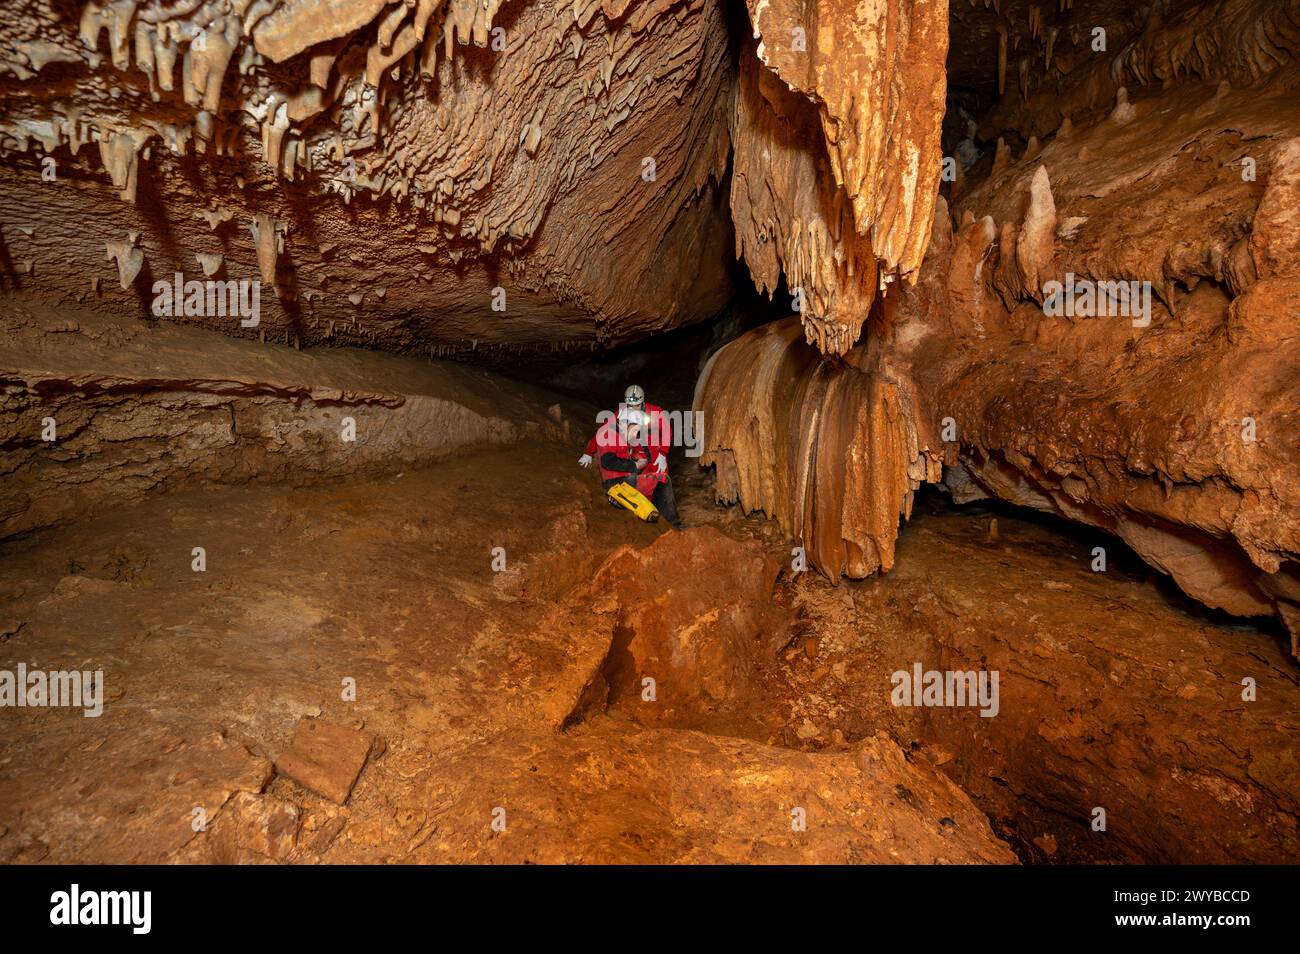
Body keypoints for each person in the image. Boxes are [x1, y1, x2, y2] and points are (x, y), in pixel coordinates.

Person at [579, 384, 683, 529]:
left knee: (661, 484)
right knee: (646, 488)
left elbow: (667, 431)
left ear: (643, 402)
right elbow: (601, 432)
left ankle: (668, 522)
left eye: (637, 405)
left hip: (655, 454)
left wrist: (663, 453)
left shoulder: (655, 412)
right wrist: (589, 452)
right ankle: (649, 521)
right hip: (636, 454)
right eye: (630, 405)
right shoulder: (621, 413)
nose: (633, 408)